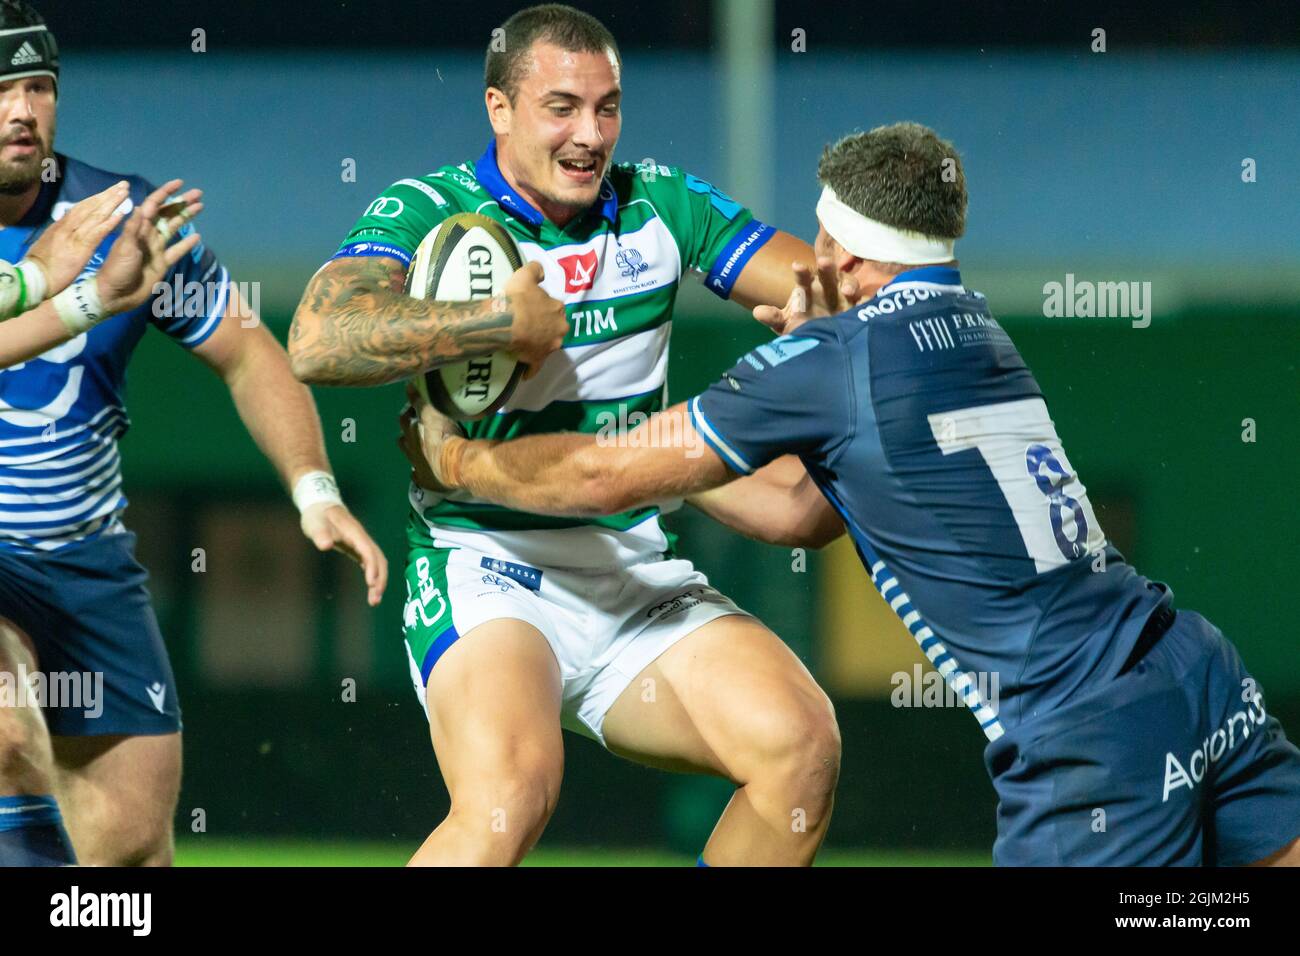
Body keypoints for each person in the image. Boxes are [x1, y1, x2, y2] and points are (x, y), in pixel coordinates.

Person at [404, 121, 1300, 866]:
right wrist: (693, 473)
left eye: (823, 240)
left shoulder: (828, 360)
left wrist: (458, 464)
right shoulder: (982, 330)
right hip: (1197, 671)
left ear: (849, 253)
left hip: (1091, 738)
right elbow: (801, 510)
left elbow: (602, 475)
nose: (811, 257)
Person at [292, 4, 860, 866]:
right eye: (561, 107)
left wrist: (833, 317)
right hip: (487, 568)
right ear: (499, 108)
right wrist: (491, 322)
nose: (590, 135)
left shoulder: (659, 202)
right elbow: (319, 338)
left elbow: (817, 287)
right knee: (507, 802)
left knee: (801, 745)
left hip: (633, 571)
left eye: (608, 107)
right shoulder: (431, 206)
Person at [0, 1, 386, 867]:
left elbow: (249, 353)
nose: (22, 110)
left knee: (128, 854)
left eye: (37, 87)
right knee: (7, 737)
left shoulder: (123, 221)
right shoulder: (78, 261)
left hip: (83, 564)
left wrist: (312, 487)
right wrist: (65, 291)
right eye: (1, 90)